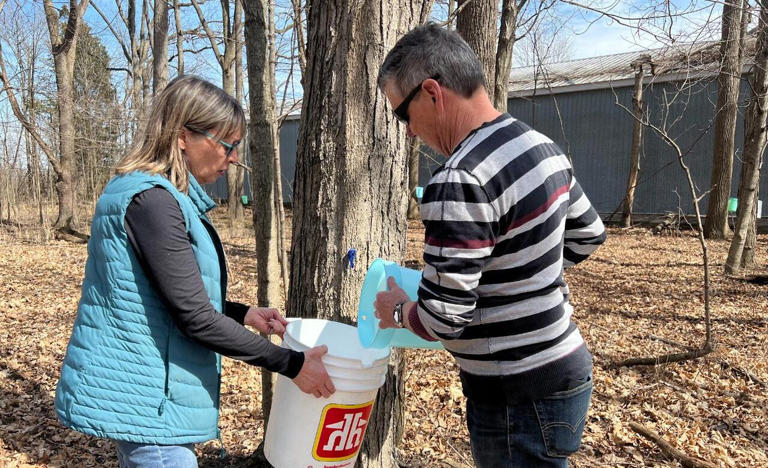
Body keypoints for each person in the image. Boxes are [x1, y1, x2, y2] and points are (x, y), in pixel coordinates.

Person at [54, 75, 335, 468]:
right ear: (184, 135)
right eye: (227, 145)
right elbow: (195, 319)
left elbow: (168, 294)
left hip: (150, 398)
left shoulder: (157, 196)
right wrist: (293, 365)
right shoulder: (152, 201)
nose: (234, 158)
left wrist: (243, 314)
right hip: (150, 404)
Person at [373, 24, 606, 467]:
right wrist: (520, 276)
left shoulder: (459, 178)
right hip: (565, 369)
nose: (407, 132)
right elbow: (589, 235)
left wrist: (398, 310)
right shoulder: (542, 147)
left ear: (432, 93)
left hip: (514, 395)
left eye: (403, 115)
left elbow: (443, 319)